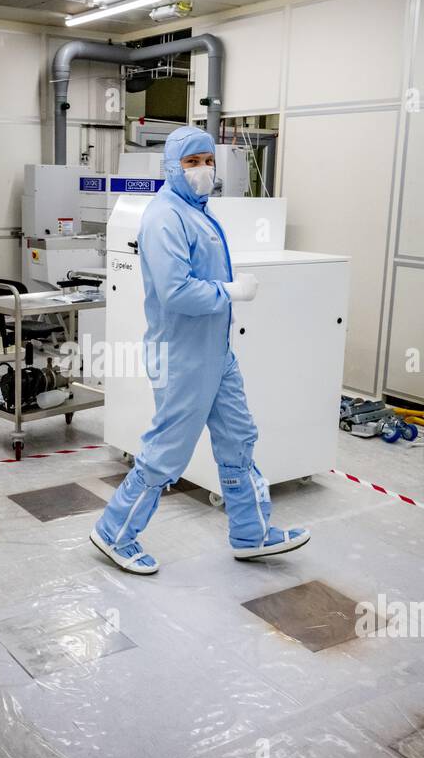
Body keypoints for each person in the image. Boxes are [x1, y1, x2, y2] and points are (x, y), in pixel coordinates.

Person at [90, 126, 310, 576]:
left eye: (208, 160)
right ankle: (115, 532)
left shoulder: (199, 211)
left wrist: (225, 297)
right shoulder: (164, 216)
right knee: (168, 451)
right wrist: (228, 291)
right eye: (192, 162)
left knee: (238, 437)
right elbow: (174, 292)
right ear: (172, 167)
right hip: (183, 356)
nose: (203, 169)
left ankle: (251, 533)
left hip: (216, 353)